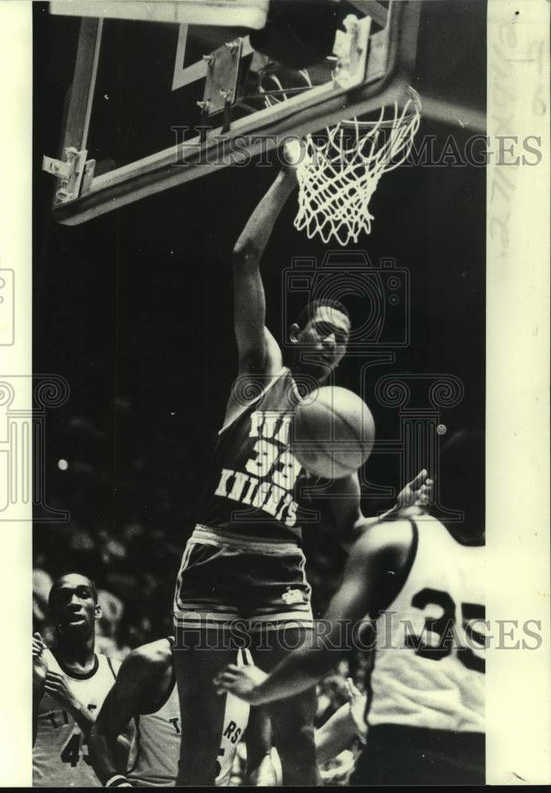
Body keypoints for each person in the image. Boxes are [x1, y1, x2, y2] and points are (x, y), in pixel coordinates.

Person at [172, 145, 430, 786]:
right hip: (214, 558)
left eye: (341, 336)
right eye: (320, 328)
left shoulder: (339, 431)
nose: (330, 340)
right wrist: (289, 177)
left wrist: (390, 516)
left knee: (297, 731)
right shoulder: (261, 370)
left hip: (280, 575)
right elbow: (243, 257)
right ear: (297, 329)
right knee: (201, 735)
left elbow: (349, 534)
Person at [214, 432, 485, 785]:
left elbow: (321, 654)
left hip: (400, 750)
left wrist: (260, 689)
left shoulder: (395, 541)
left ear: (438, 482)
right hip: (482, 758)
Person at [88, 639, 277, 787]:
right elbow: (101, 734)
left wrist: (263, 783)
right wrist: (118, 784)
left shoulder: (253, 669)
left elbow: (261, 754)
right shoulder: (152, 661)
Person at [33, 573, 125, 786]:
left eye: (83, 595)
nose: (74, 602)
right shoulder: (35, 663)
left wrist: (74, 705)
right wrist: (35, 689)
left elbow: (124, 755)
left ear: (98, 610)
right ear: (52, 613)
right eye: (64, 598)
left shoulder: (117, 673)